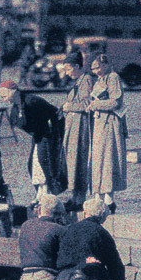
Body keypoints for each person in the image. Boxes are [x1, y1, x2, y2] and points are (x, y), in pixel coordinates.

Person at [0, 80, 67, 199]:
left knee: (44, 161)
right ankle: (40, 191)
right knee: (33, 162)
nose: (3, 99)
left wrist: (53, 136)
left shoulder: (32, 101)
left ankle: (48, 192)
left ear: (13, 92)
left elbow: (53, 115)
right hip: (39, 134)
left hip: (49, 133)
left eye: (4, 95)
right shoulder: (16, 107)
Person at [53, 198, 126, 280]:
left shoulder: (68, 229)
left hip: (63, 279)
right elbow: (115, 265)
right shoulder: (101, 233)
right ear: (103, 217)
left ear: (85, 213)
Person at [88, 53, 128, 211]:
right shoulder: (100, 79)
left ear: (105, 64)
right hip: (99, 123)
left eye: (97, 67)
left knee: (108, 158)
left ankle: (109, 199)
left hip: (110, 122)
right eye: (93, 69)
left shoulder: (113, 77)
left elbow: (116, 102)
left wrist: (95, 105)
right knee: (98, 159)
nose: (95, 71)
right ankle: (98, 196)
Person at [18, 193, 69, 280]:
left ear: (40, 209)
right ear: (59, 214)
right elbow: (67, 260)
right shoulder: (59, 230)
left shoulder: (25, 225)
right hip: (44, 278)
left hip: (25, 279)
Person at [58, 51, 94, 203]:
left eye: (68, 69)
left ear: (77, 66)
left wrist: (70, 106)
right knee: (73, 161)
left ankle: (79, 198)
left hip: (81, 127)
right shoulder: (79, 81)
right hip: (74, 127)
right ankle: (75, 196)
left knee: (79, 161)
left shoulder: (86, 80)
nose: (67, 73)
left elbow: (88, 104)